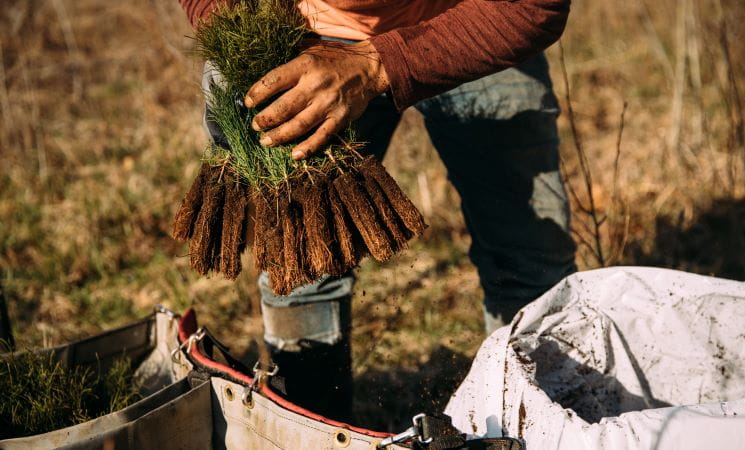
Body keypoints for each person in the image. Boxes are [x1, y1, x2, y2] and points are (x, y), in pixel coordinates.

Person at [178, 0, 577, 422]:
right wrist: (251, 32)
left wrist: (374, 65)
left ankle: (535, 425)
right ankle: (313, 426)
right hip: (308, 31)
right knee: (302, 269)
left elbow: (535, 6)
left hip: (472, 18)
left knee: (530, 262)